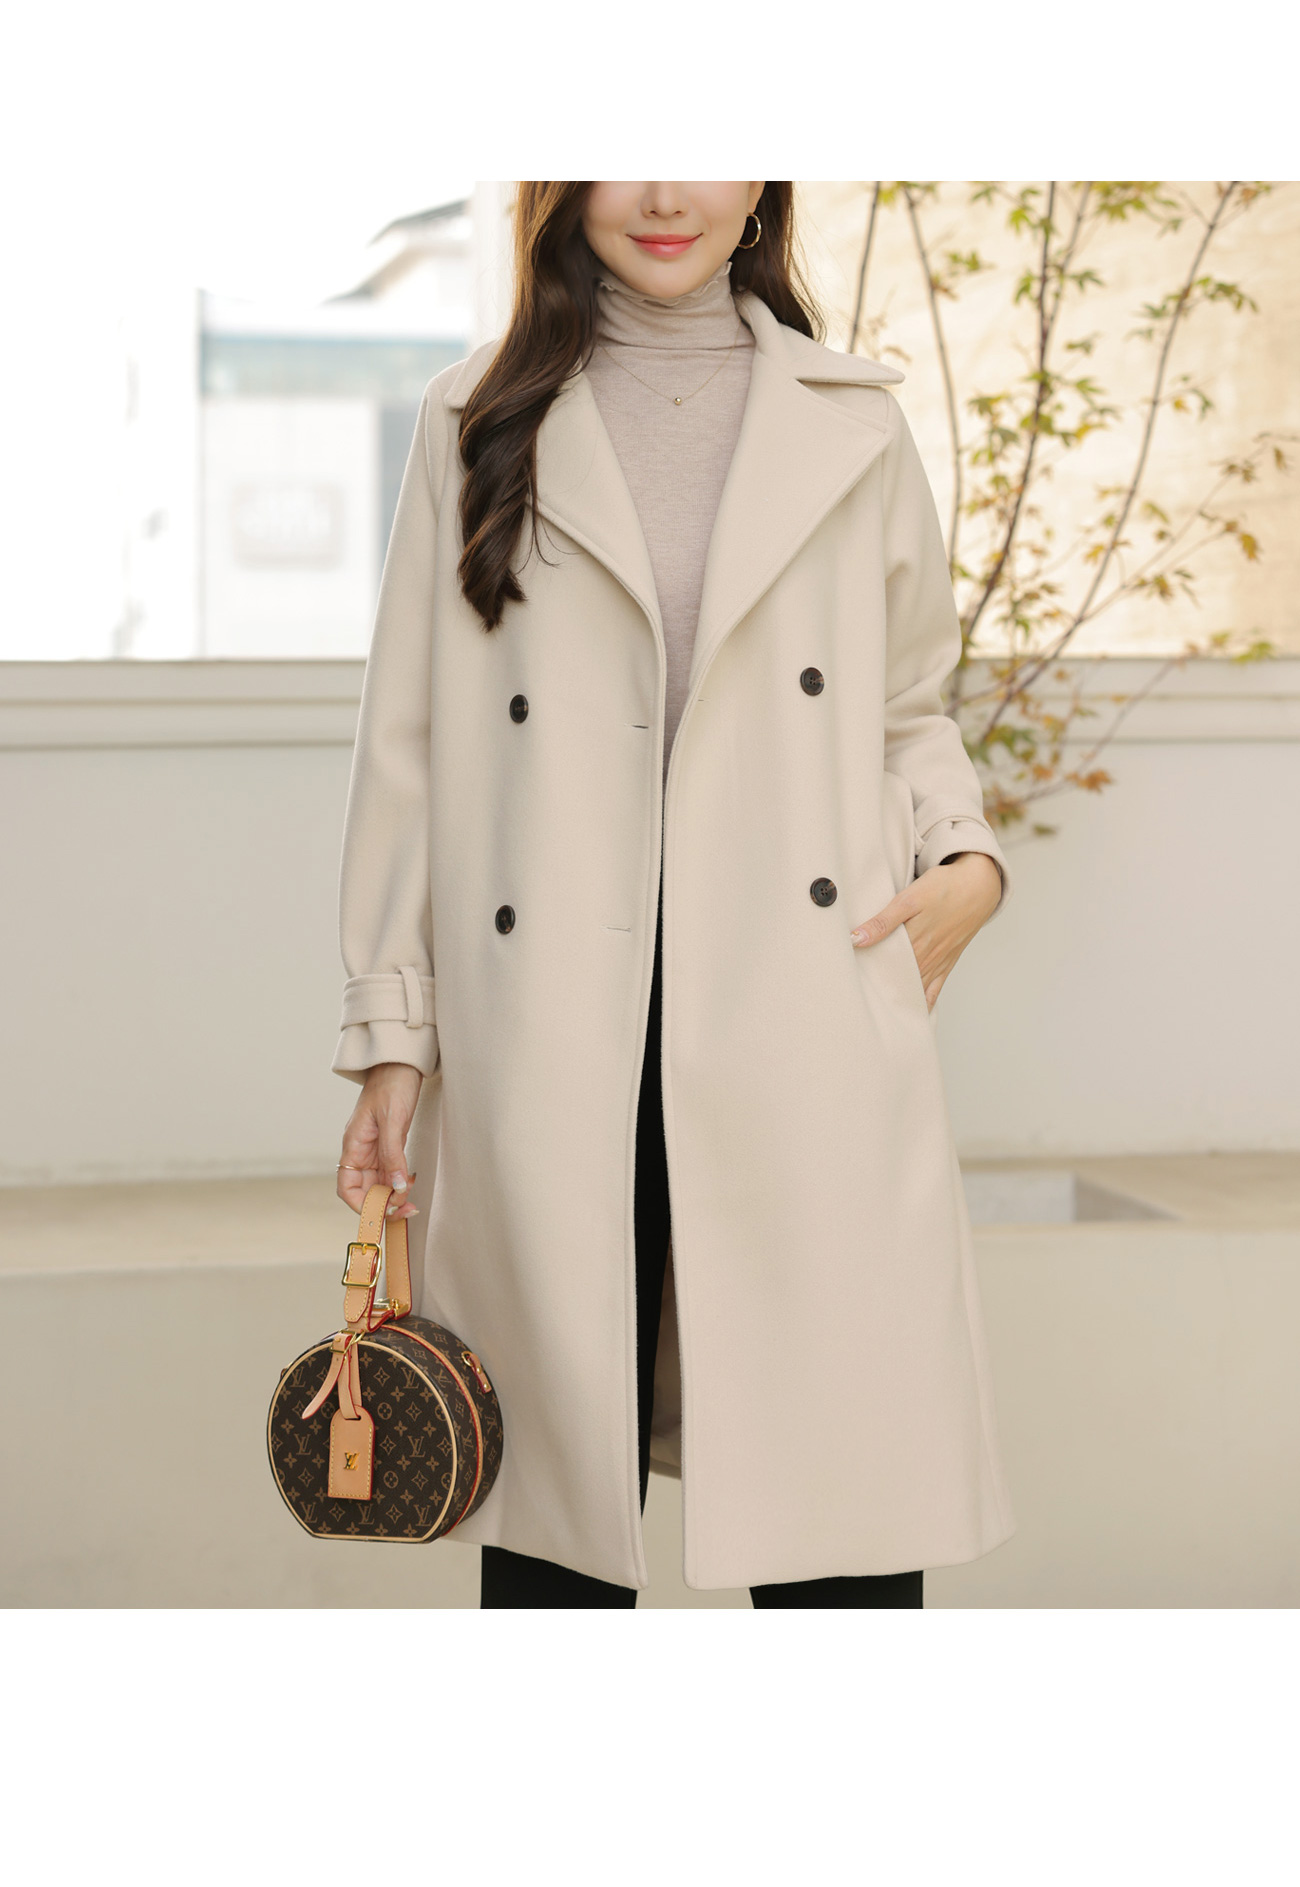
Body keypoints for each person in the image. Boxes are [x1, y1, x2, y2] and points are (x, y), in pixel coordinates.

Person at [333, 182, 1017, 1609]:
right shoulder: (476, 418)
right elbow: (409, 748)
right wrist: (393, 1036)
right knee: (552, 1527)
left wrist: (967, 861)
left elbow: (908, 706)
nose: (662, 194)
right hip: (551, 1021)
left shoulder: (853, 419)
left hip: (800, 999)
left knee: (839, 1522)